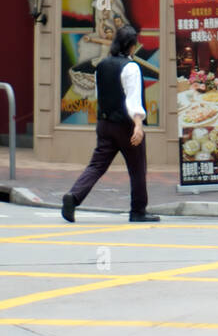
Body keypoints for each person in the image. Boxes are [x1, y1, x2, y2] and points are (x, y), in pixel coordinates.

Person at [62, 25, 160, 223]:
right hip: (125, 125)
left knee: (96, 165)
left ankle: (73, 197)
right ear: (131, 46)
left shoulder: (102, 65)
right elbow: (133, 100)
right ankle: (138, 211)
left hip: (104, 123)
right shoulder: (131, 67)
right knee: (137, 168)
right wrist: (138, 125)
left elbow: (100, 95)